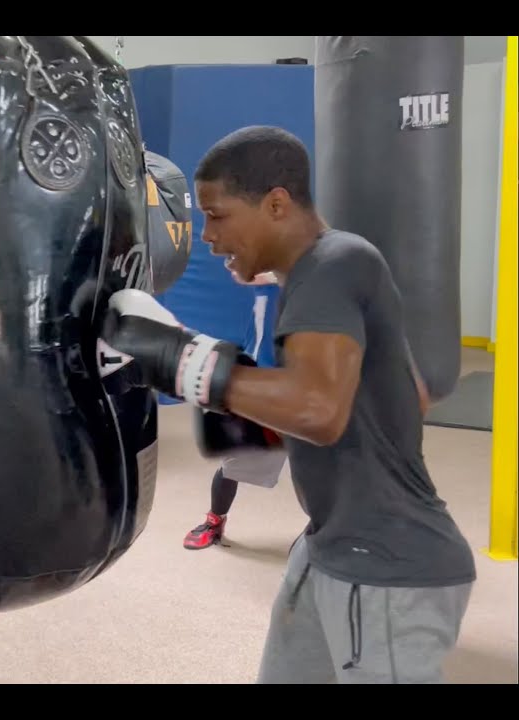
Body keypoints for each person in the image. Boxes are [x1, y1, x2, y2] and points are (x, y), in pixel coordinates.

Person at [102, 125, 476, 683]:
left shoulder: (333, 264)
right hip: (327, 545)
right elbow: (408, 395)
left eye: (218, 215)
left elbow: (320, 412)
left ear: (276, 204)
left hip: (388, 567)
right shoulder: (316, 276)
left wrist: (185, 364)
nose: (206, 235)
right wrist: (266, 418)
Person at [184, 270, 289, 550]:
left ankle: (325, 534)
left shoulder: (301, 287)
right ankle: (214, 520)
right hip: (269, 392)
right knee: (233, 464)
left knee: (321, 469)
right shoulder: (268, 295)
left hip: (304, 390)